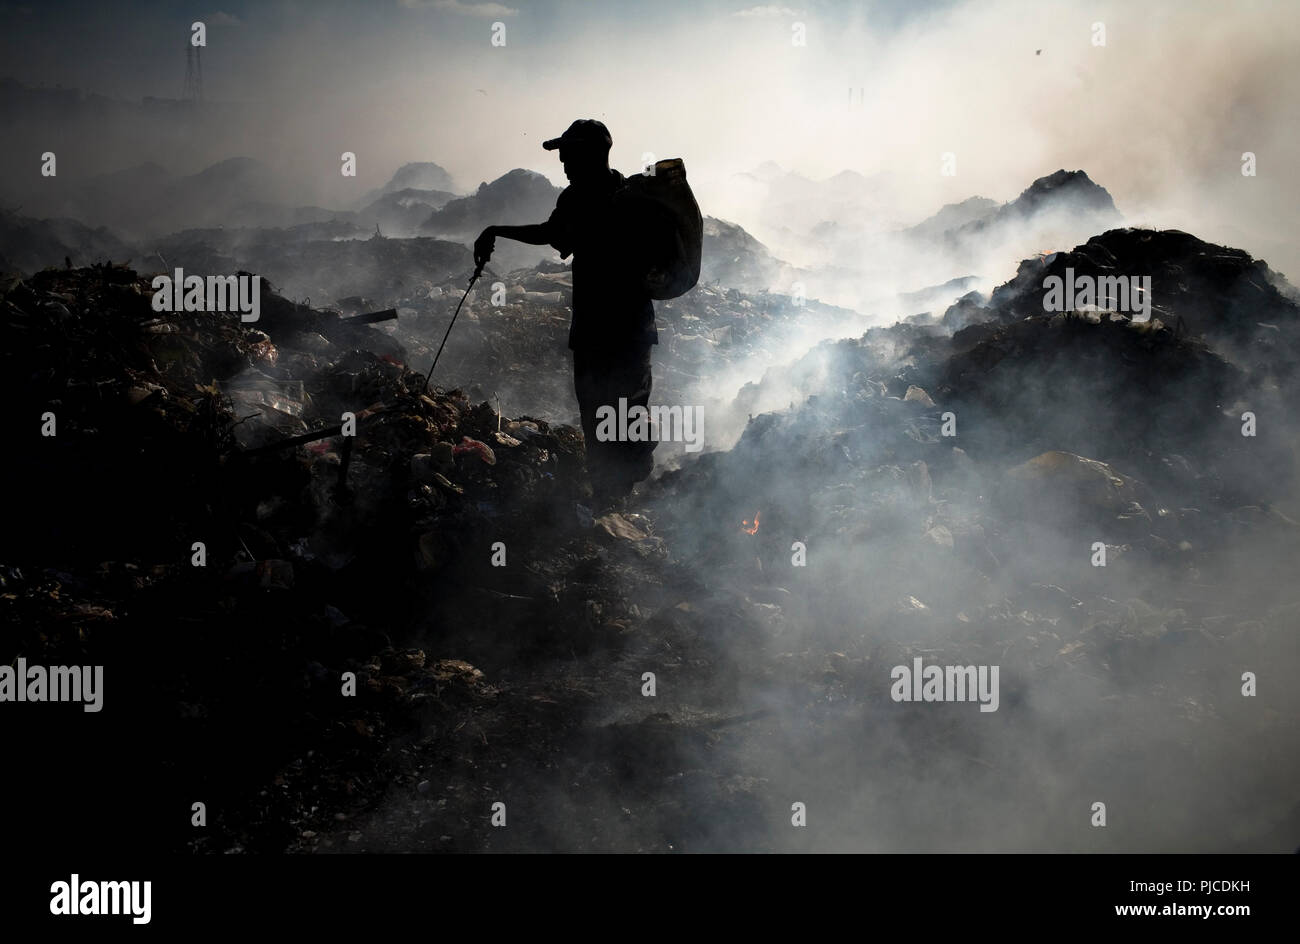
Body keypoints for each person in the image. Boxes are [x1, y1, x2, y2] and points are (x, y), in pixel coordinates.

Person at [474, 119, 668, 513]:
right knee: (624, 408)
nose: (562, 161)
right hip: (629, 329)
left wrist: (495, 229)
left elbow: (551, 234)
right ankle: (622, 483)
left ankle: (615, 489)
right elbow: (555, 234)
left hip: (604, 329)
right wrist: (496, 229)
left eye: (568, 153)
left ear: (589, 154)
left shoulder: (590, 199)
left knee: (602, 410)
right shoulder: (622, 196)